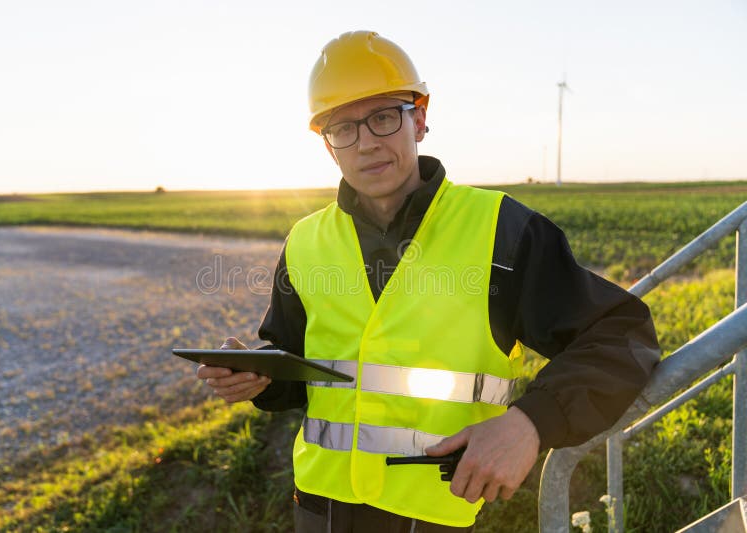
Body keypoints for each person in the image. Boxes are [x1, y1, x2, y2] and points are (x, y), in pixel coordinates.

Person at [197, 30, 660, 532]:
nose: (367, 142)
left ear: (418, 118)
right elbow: (305, 367)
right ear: (328, 146)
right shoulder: (305, 241)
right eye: (343, 128)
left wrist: (530, 423)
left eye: (383, 116)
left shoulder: (502, 231)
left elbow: (621, 334)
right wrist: (259, 375)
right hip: (317, 506)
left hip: (435, 512)